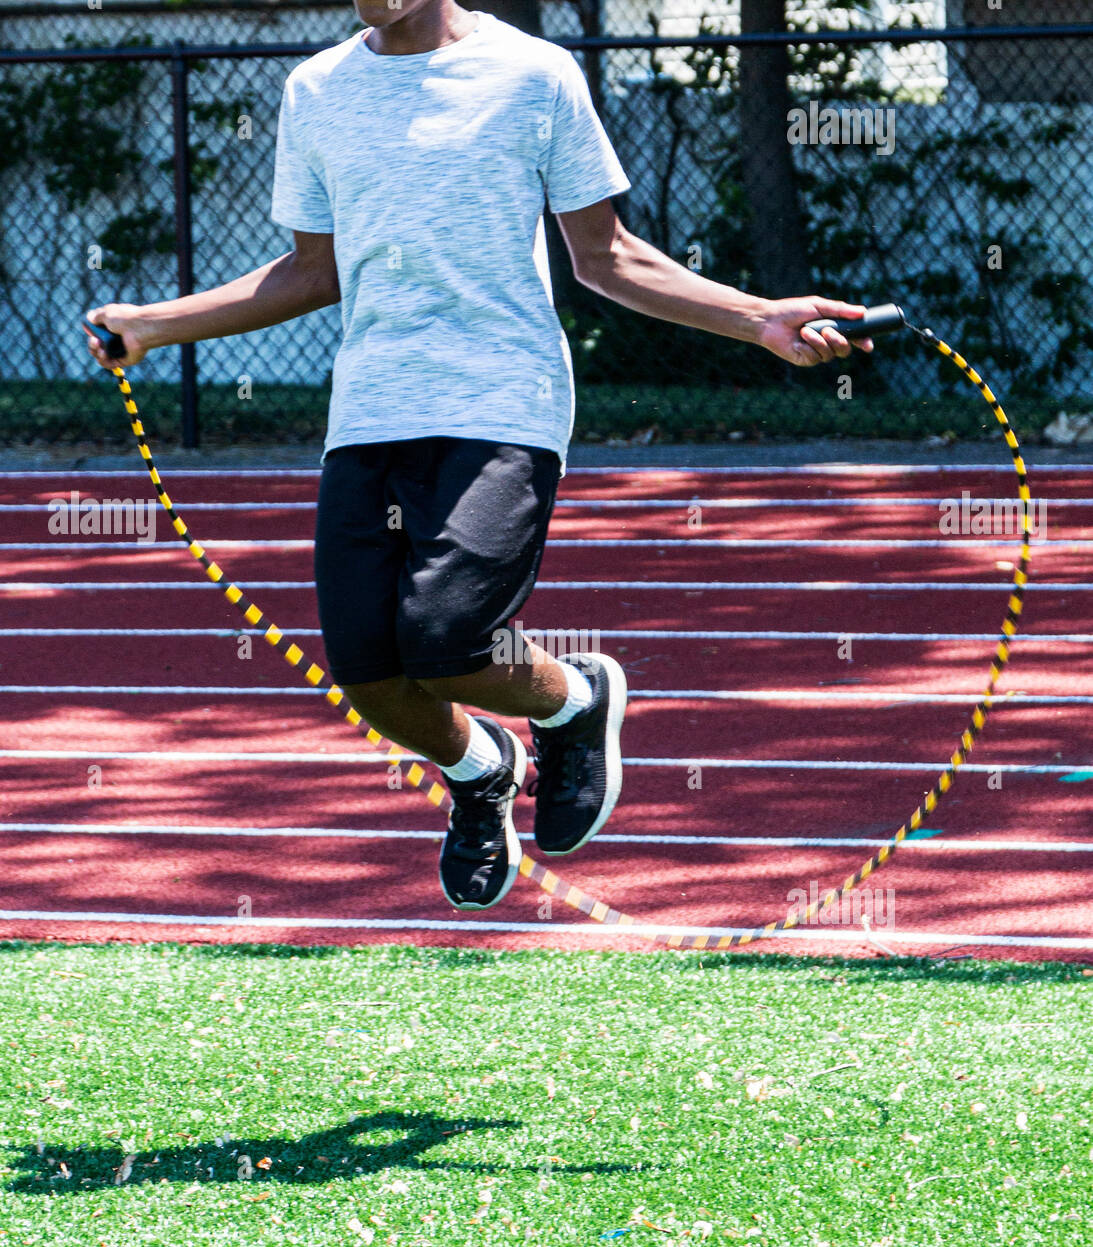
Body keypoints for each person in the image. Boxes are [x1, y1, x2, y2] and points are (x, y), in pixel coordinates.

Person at [85, 0, 871, 912]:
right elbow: (312, 269)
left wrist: (757, 318)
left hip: (502, 399)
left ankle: (575, 699)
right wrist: (152, 325)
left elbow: (608, 256)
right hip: (372, 408)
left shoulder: (533, 74)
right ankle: (482, 766)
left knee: (447, 639)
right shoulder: (316, 89)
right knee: (371, 675)